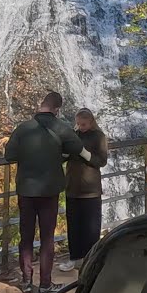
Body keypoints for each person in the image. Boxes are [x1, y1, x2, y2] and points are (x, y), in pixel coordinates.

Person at [4, 91, 95, 293]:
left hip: (26, 190)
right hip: (49, 191)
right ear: (57, 109)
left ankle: (26, 281)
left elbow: (9, 156)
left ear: (40, 105)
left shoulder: (23, 128)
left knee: (25, 236)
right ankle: (45, 284)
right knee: (47, 237)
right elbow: (77, 148)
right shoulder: (61, 128)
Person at [61, 109, 109, 271]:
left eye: (84, 124)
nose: (81, 127)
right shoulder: (74, 135)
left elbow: (101, 161)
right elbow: (62, 157)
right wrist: (65, 152)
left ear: (91, 122)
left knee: (91, 227)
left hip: (90, 189)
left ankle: (92, 260)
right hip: (72, 187)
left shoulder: (98, 136)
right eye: (78, 124)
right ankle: (74, 257)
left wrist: (83, 152)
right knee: (73, 225)